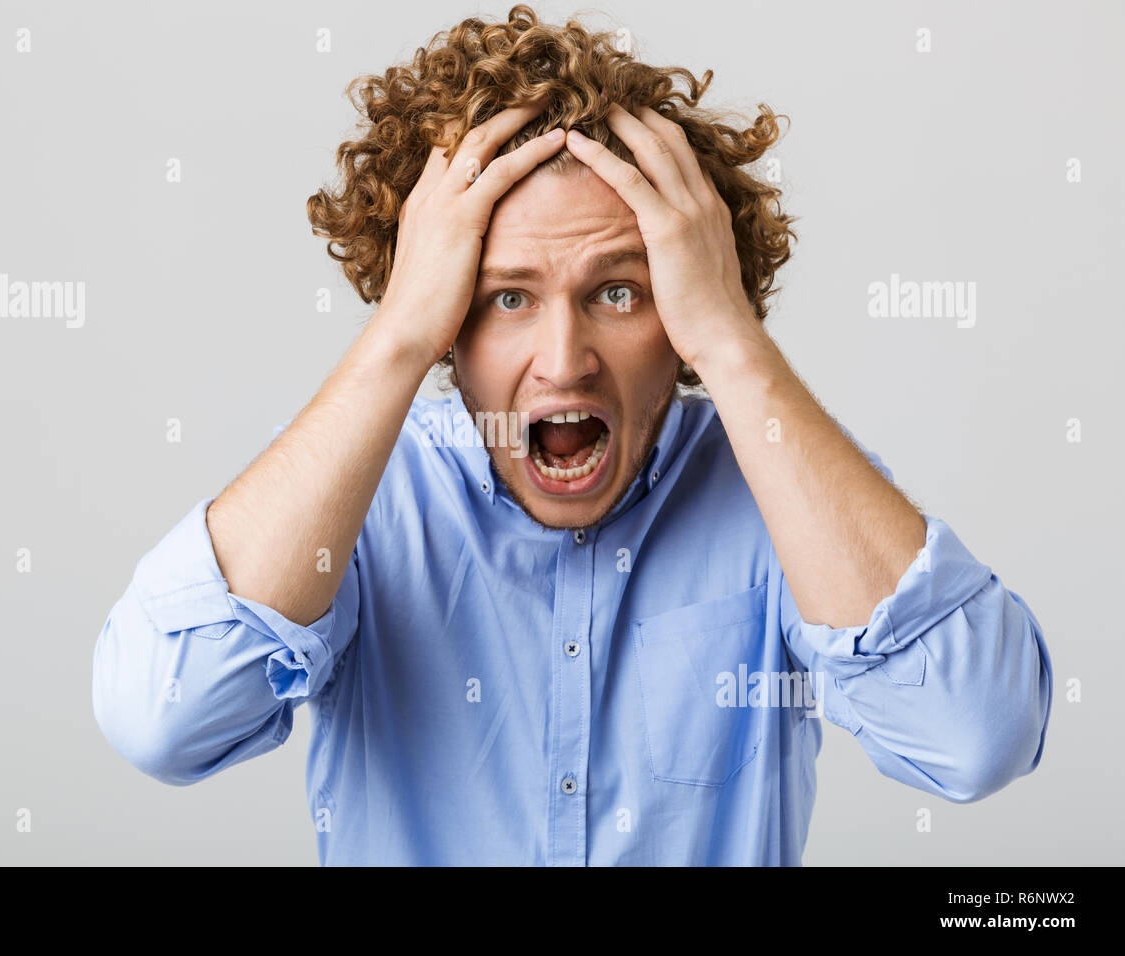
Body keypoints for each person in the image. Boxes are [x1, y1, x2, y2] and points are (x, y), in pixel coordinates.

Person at [92, 5, 1052, 865]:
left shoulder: (774, 485)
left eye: (619, 292)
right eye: (506, 297)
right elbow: (160, 722)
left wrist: (732, 341)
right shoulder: (358, 499)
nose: (565, 360)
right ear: (446, 321)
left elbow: (976, 737)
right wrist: (394, 339)